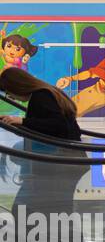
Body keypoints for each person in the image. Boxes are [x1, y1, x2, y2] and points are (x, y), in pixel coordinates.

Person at [0, 67, 85, 227]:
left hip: (61, 162)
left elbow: (58, 125)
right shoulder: (47, 92)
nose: (11, 97)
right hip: (69, 160)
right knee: (60, 208)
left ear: (18, 86)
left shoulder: (41, 96)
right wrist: (19, 124)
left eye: (9, 92)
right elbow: (59, 126)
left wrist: (23, 122)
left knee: (41, 209)